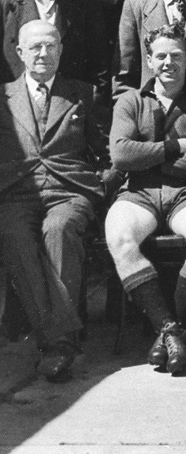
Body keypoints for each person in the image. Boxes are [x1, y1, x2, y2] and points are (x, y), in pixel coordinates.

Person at [104, 23, 186, 374]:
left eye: (176, 55)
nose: (168, 62)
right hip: (138, 194)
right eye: (160, 56)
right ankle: (173, 331)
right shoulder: (130, 101)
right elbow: (121, 155)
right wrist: (176, 147)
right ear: (149, 60)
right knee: (119, 235)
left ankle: (171, 331)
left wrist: (149, 158)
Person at [0, 21, 111, 383]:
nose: (43, 53)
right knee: (16, 237)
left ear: (61, 50)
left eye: (51, 46)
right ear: (20, 53)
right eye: (35, 47)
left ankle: (56, 344)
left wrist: (102, 185)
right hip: (18, 192)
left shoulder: (82, 93)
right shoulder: (3, 97)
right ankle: (59, 341)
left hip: (69, 191)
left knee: (59, 230)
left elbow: (107, 151)